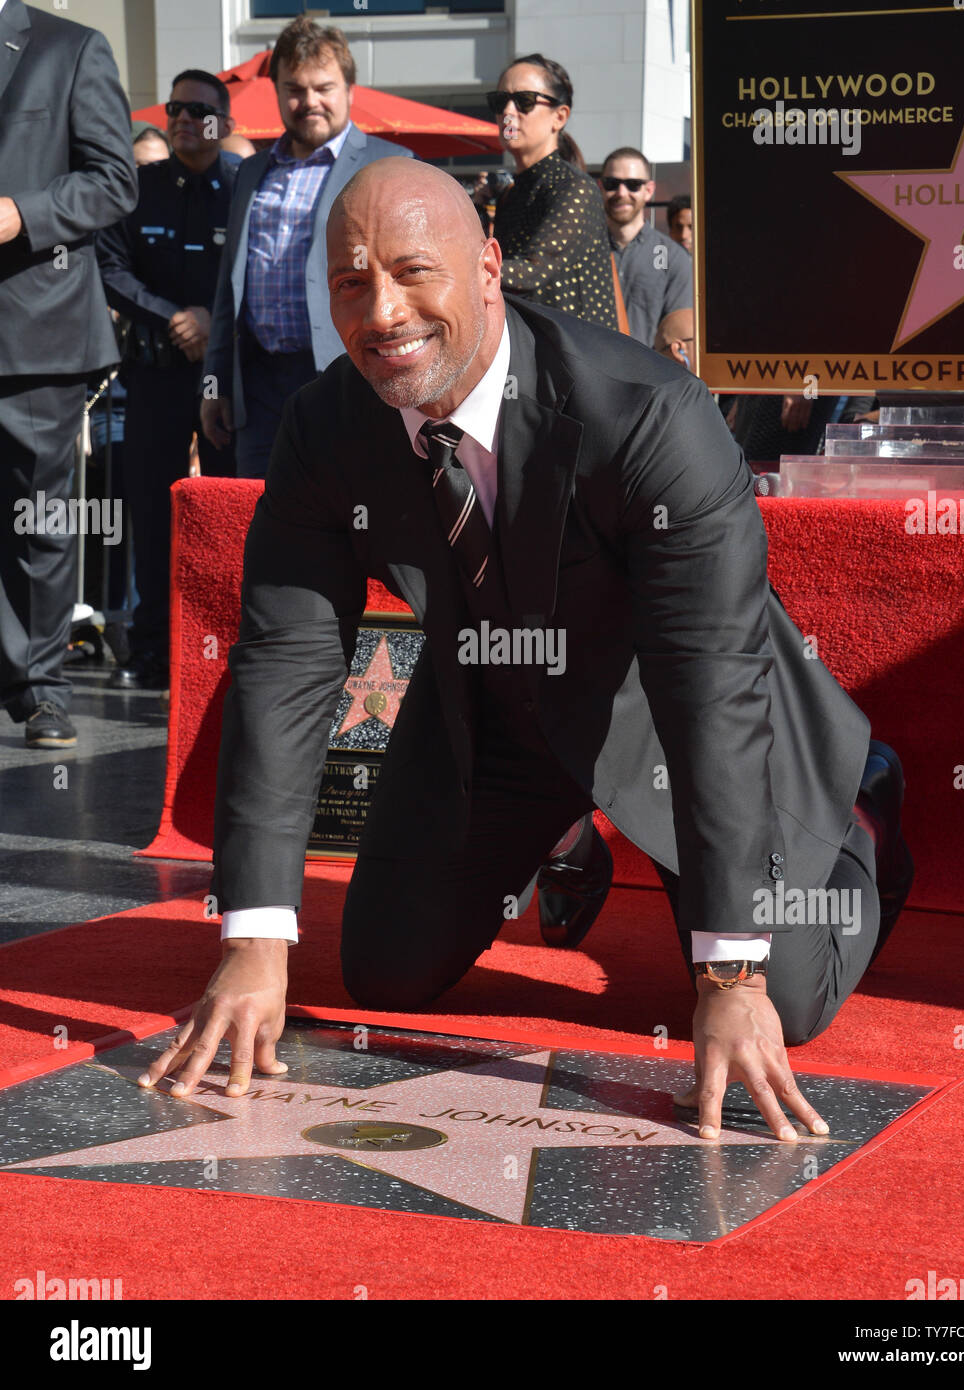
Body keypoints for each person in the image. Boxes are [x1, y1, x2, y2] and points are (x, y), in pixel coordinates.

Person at [140, 161, 914, 1151]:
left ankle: (865, 807)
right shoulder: (325, 427)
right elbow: (287, 664)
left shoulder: (647, 411)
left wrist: (730, 973)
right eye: (350, 283)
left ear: (491, 267)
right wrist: (252, 934)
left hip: (665, 715)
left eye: (416, 272)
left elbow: (710, 680)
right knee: (385, 969)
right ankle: (566, 838)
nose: (383, 313)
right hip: (492, 714)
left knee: (790, 1000)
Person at [0, 0, 137, 748]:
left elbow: (116, 181)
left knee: (38, 520)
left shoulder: (72, 47)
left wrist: (22, 212)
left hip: (37, 332)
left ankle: (40, 689)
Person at [201, 15, 413, 479]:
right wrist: (214, 384)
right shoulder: (251, 175)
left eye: (324, 87)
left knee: (352, 520)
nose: (309, 101)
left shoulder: (391, 165)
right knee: (262, 523)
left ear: (350, 90)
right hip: (257, 387)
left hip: (348, 376)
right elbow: (227, 290)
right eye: (295, 88)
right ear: (276, 92)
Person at [97, 70, 239, 692]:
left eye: (199, 110)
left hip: (224, 374)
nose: (184, 119)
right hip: (154, 372)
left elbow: (259, 268)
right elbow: (109, 266)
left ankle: (225, 644)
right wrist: (174, 317)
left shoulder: (244, 187)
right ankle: (152, 648)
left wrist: (214, 322)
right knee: (152, 513)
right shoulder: (137, 186)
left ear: (224, 125)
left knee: (229, 506)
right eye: (176, 108)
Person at [489, 54, 617, 330]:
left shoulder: (575, 188)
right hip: (530, 352)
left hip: (580, 361)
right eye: (500, 102)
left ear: (559, 117)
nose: (508, 112)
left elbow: (533, 270)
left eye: (524, 101)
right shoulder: (511, 194)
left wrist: (456, 267)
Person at [601, 146, 693, 349]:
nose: (621, 192)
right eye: (612, 184)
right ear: (601, 186)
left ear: (649, 190)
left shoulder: (674, 258)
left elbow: (678, 336)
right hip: (588, 376)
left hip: (649, 377)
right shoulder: (581, 251)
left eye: (633, 185)